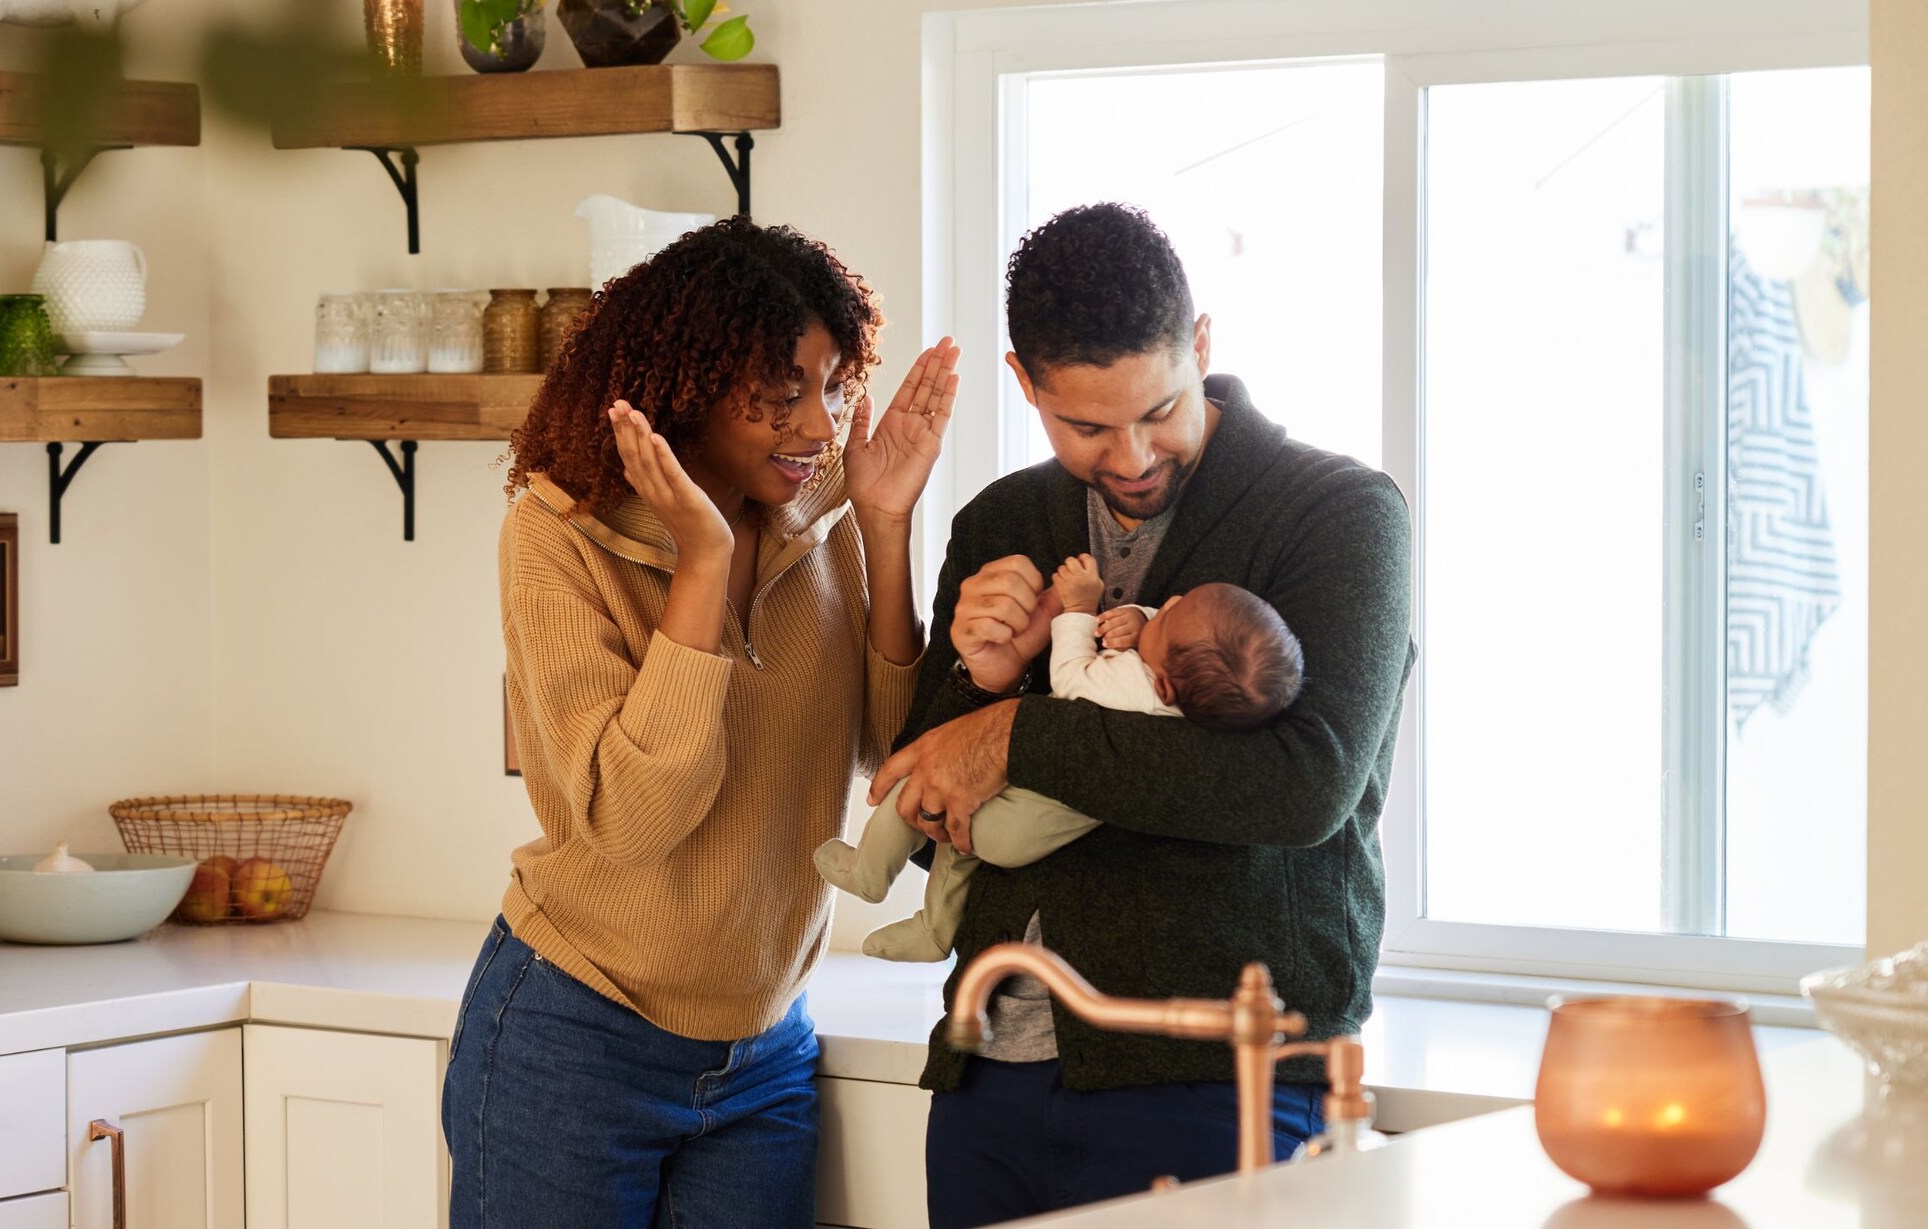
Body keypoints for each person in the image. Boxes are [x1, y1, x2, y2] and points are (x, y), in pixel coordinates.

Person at [869, 203, 1416, 1228]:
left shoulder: (1336, 516)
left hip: (1217, 1066)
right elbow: (922, 810)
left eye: (1158, 408)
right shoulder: (999, 520)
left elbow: (1301, 785)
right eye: (1085, 425)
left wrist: (1018, 732)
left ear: (1199, 346)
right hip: (988, 1061)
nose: (1129, 455)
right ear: (1024, 383)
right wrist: (981, 683)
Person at [440, 216, 954, 1228]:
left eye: (832, 386)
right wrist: (703, 562)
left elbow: (903, 770)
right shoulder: (555, 534)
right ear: (689, 387)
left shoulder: (821, 518)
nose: (819, 426)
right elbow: (633, 815)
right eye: (779, 396)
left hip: (765, 1056)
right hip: (571, 1038)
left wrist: (885, 527)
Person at [815, 553, 1303, 961]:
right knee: (957, 843)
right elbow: (1161, 641)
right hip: (1026, 828)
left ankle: (868, 874)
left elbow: (1072, 677)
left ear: (1163, 684)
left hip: (1017, 824)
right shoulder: (1177, 700)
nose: (1168, 602)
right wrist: (1144, 621)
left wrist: (1079, 608)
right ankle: (936, 931)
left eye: (1169, 616)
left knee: (920, 787)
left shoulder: (1134, 687)